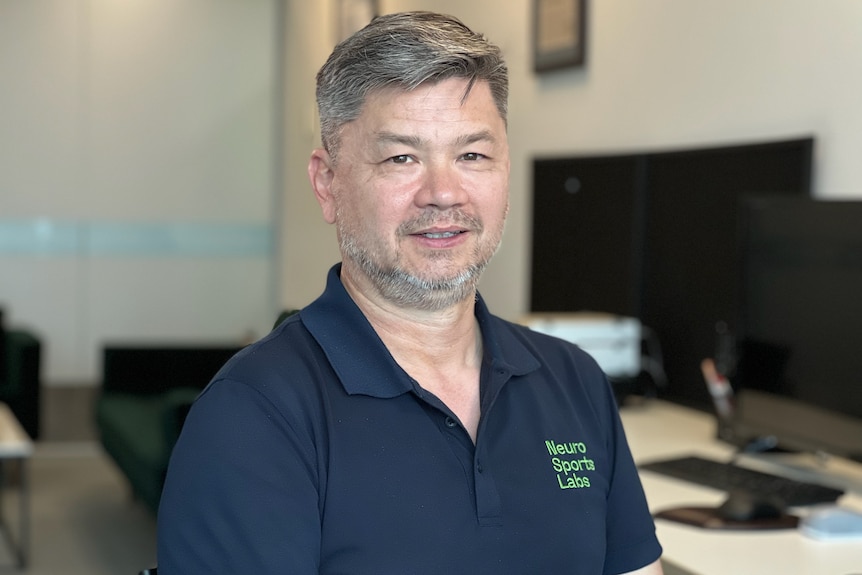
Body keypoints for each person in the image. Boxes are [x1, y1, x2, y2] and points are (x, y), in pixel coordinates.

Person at [157, 11, 664, 574]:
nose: (444, 193)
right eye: (402, 157)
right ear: (328, 183)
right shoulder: (253, 416)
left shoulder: (575, 382)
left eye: (472, 155)